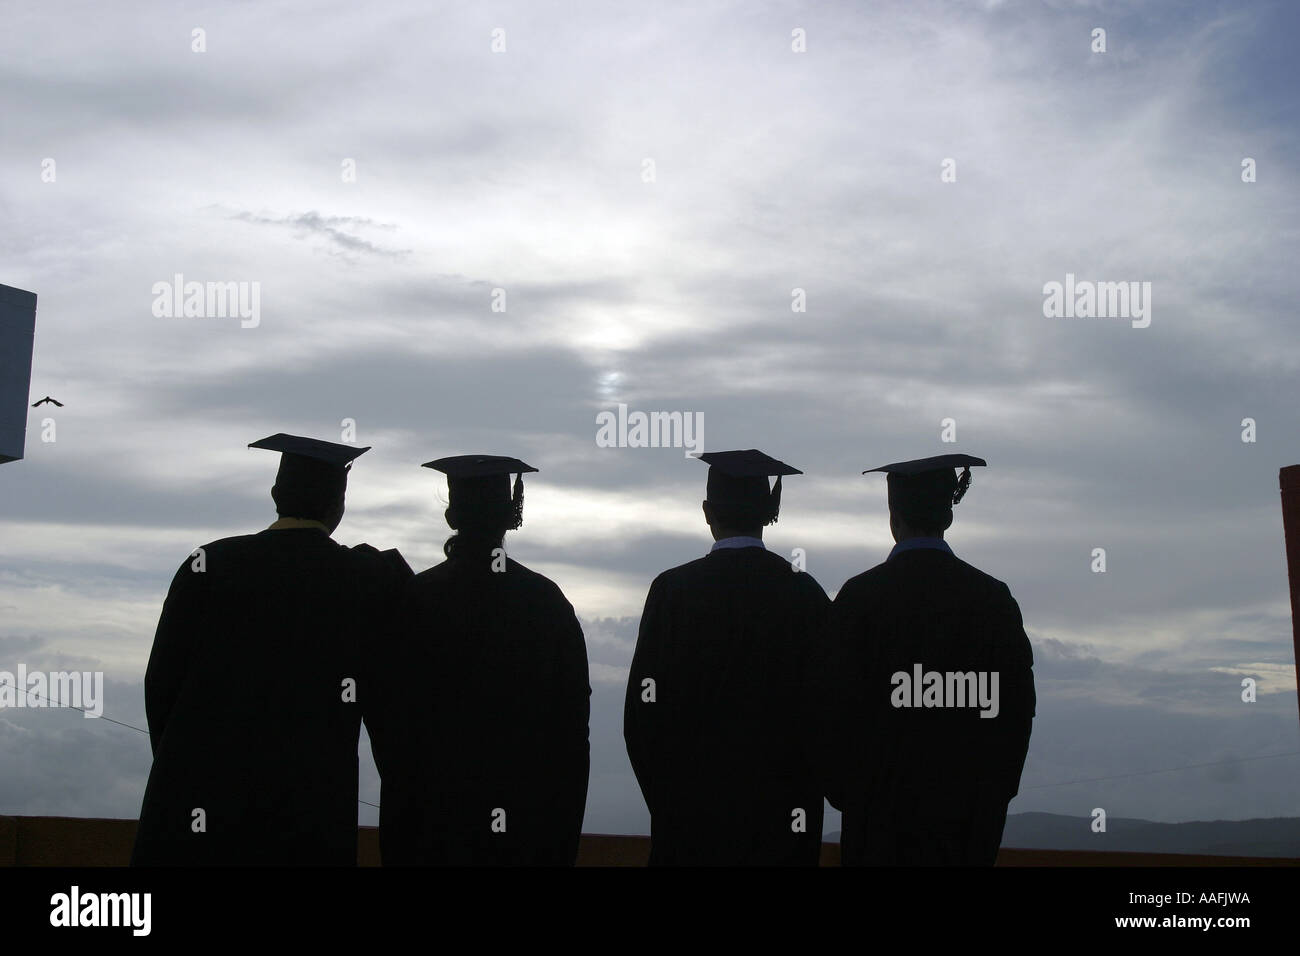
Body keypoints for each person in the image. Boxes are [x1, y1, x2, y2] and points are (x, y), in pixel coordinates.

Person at [131, 433, 412, 866]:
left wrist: (184, 767)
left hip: (196, 800)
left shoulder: (207, 563)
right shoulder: (364, 578)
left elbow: (161, 686)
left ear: (276, 493)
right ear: (338, 506)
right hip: (307, 810)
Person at [813, 454, 1035, 866]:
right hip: (966, 816)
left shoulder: (860, 598)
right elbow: (1017, 709)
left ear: (893, 517)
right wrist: (991, 796)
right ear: (947, 517)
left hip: (877, 816)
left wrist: (848, 793)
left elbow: (832, 705)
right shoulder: (991, 599)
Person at [380, 455, 590, 866]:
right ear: (511, 514)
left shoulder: (414, 600)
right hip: (524, 832)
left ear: (451, 514)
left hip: (429, 828)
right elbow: (570, 734)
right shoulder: (546, 603)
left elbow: (390, 724)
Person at [624, 449, 830, 866]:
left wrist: (670, 805)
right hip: (781, 827)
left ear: (707, 512)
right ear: (770, 509)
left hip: (690, 826)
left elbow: (641, 718)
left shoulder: (671, 591)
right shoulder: (805, 594)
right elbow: (828, 713)